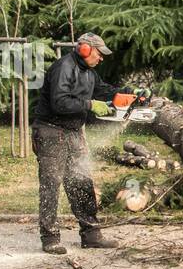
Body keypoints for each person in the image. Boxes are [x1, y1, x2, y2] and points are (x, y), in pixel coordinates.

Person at [30, 32, 121, 254]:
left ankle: (90, 234)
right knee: (51, 184)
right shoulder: (64, 67)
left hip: (73, 132)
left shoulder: (89, 73)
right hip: (51, 132)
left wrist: (129, 93)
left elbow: (104, 90)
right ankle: (50, 237)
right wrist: (90, 105)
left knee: (82, 181)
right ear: (85, 49)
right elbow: (60, 102)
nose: (101, 59)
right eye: (99, 54)